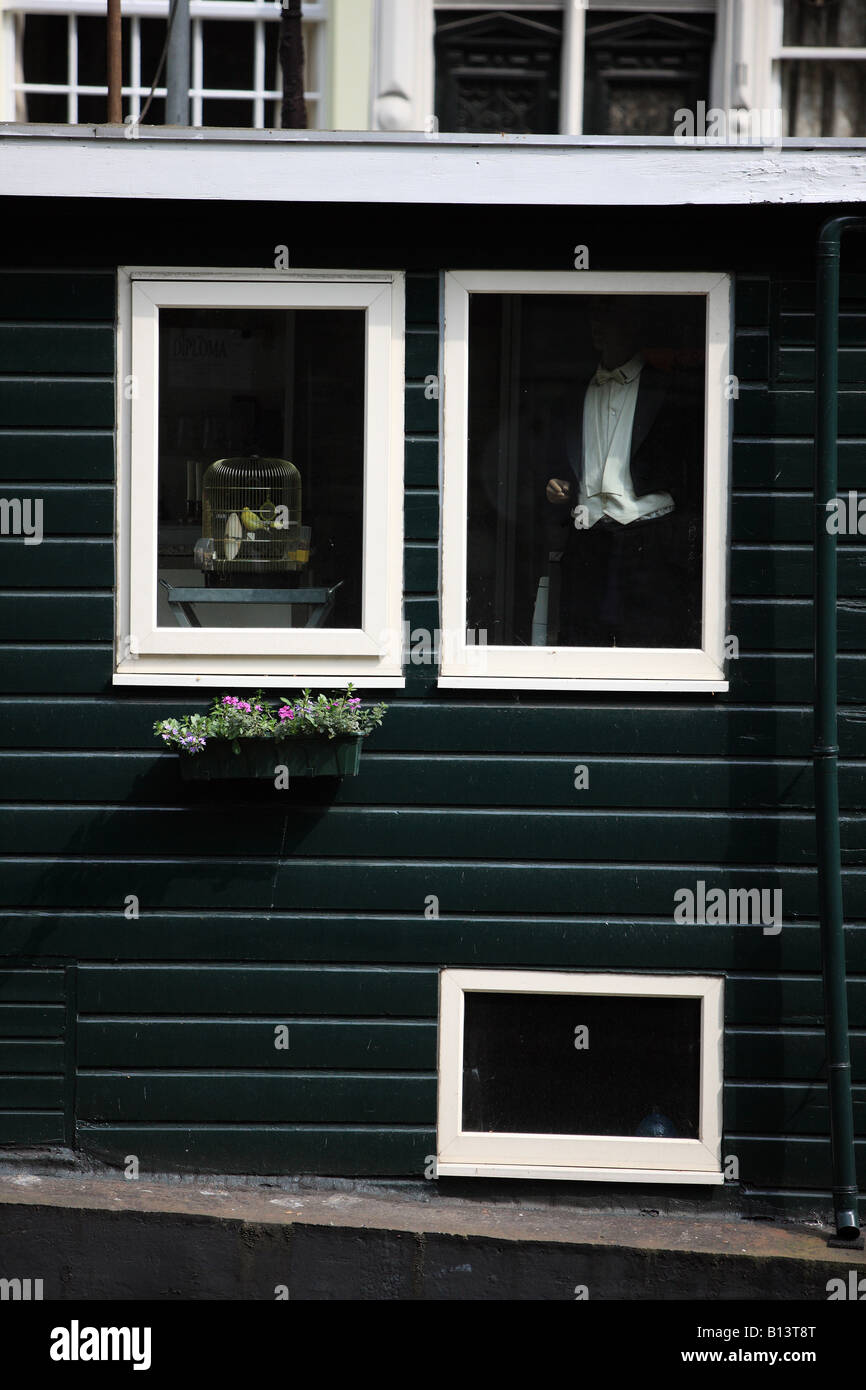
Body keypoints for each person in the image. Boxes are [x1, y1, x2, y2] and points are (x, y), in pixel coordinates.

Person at [545, 295, 703, 648]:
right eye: (594, 314)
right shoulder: (575, 392)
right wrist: (558, 485)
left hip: (649, 537)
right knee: (581, 646)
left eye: (608, 313)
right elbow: (560, 466)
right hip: (587, 537)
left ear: (633, 323)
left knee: (648, 645)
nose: (597, 323)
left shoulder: (668, 387)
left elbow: (690, 464)